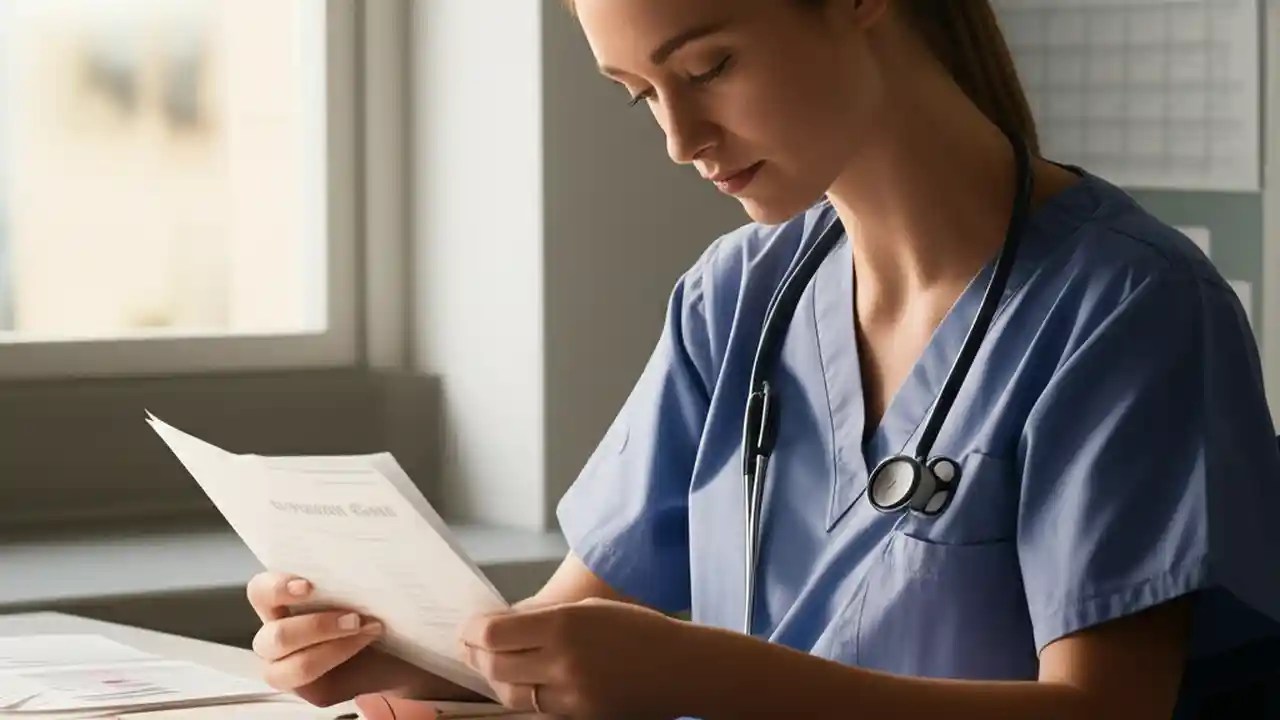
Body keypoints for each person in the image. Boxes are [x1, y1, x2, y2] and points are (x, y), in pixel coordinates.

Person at [244, 1, 1280, 718]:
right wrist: (399, 656)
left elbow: (1101, 714)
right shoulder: (732, 297)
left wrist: (709, 675)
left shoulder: (1126, 307)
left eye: (707, 68)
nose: (680, 137)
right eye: (638, 94)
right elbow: (557, 639)